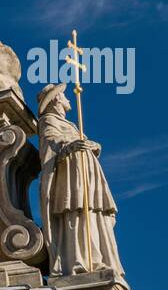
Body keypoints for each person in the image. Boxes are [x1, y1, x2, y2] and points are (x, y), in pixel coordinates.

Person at [38, 84, 124, 277]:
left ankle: (99, 259)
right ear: (56, 100)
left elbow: (79, 141)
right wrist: (69, 146)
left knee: (92, 213)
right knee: (77, 213)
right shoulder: (48, 121)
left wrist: (93, 146)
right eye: (63, 95)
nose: (68, 98)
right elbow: (50, 146)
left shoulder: (71, 125)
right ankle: (80, 260)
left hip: (86, 174)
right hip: (70, 176)